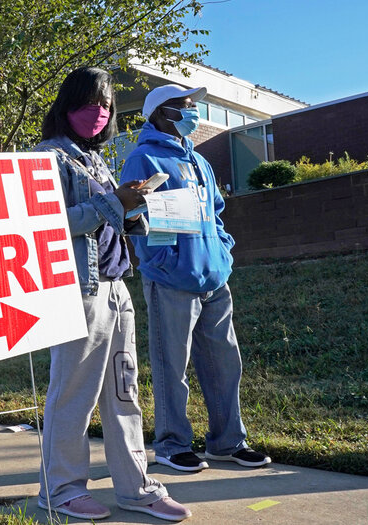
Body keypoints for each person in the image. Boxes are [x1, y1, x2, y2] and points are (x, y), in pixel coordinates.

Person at [30, 68, 189, 522]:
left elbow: (106, 219)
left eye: (105, 105)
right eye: (89, 103)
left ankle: (135, 486)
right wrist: (114, 203)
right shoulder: (47, 157)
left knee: (124, 388)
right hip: (79, 290)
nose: (98, 113)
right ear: (66, 105)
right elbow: (51, 228)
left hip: (117, 285)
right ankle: (60, 488)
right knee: (73, 392)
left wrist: (134, 211)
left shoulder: (96, 160)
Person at [120, 84, 271, 473]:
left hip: (214, 278)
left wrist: (223, 250)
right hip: (171, 281)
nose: (193, 113)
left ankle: (227, 443)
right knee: (173, 365)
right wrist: (164, 262)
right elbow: (136, 218)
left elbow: (216, 212)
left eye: (192, 106)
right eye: (185, 107)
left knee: (224, 364)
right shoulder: (143, 158)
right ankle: (172, 444)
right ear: (160, 113)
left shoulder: (200, 161)